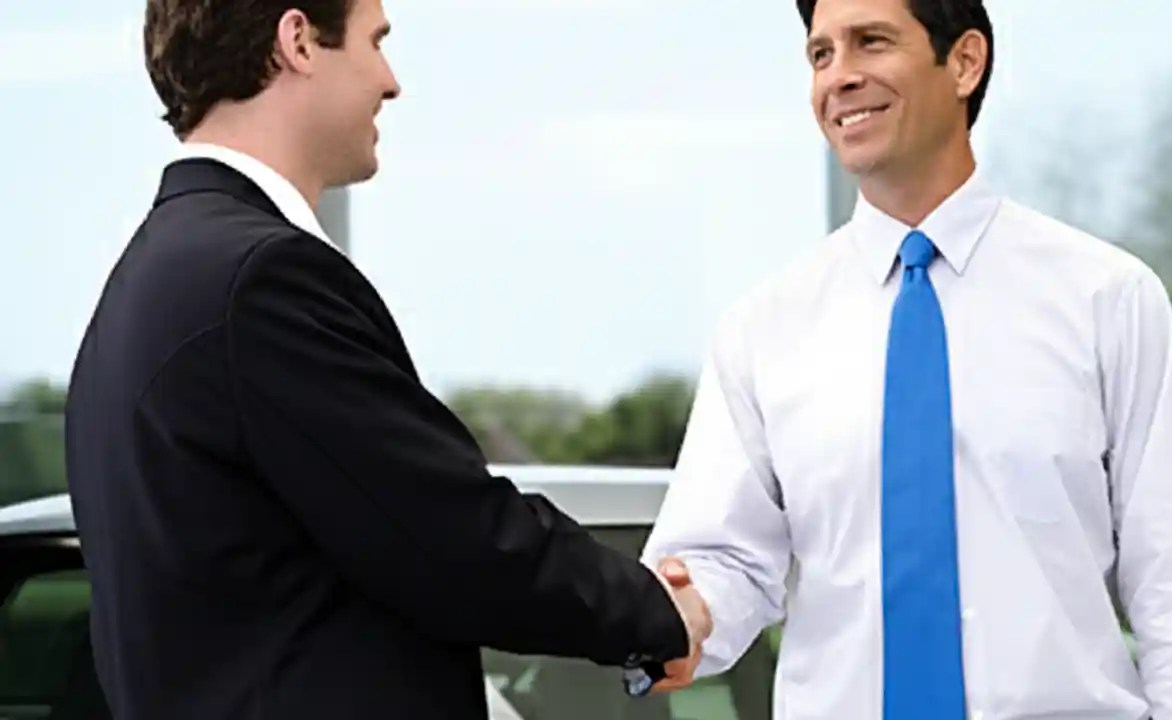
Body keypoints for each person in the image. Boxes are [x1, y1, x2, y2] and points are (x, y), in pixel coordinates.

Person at [63, 1, 709, 718]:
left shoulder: (147, 282)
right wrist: (653, 613)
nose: (391, 80)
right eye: (376, 42)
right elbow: (444, 531)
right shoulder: (258, 279)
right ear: (299, 40)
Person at [638, 0, 1172, 717]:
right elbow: (726, 561)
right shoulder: (763, 329)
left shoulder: (1107, 299)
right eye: (821, 55)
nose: (839, 77)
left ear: (964, 62)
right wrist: (678, 612)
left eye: (870, 42)